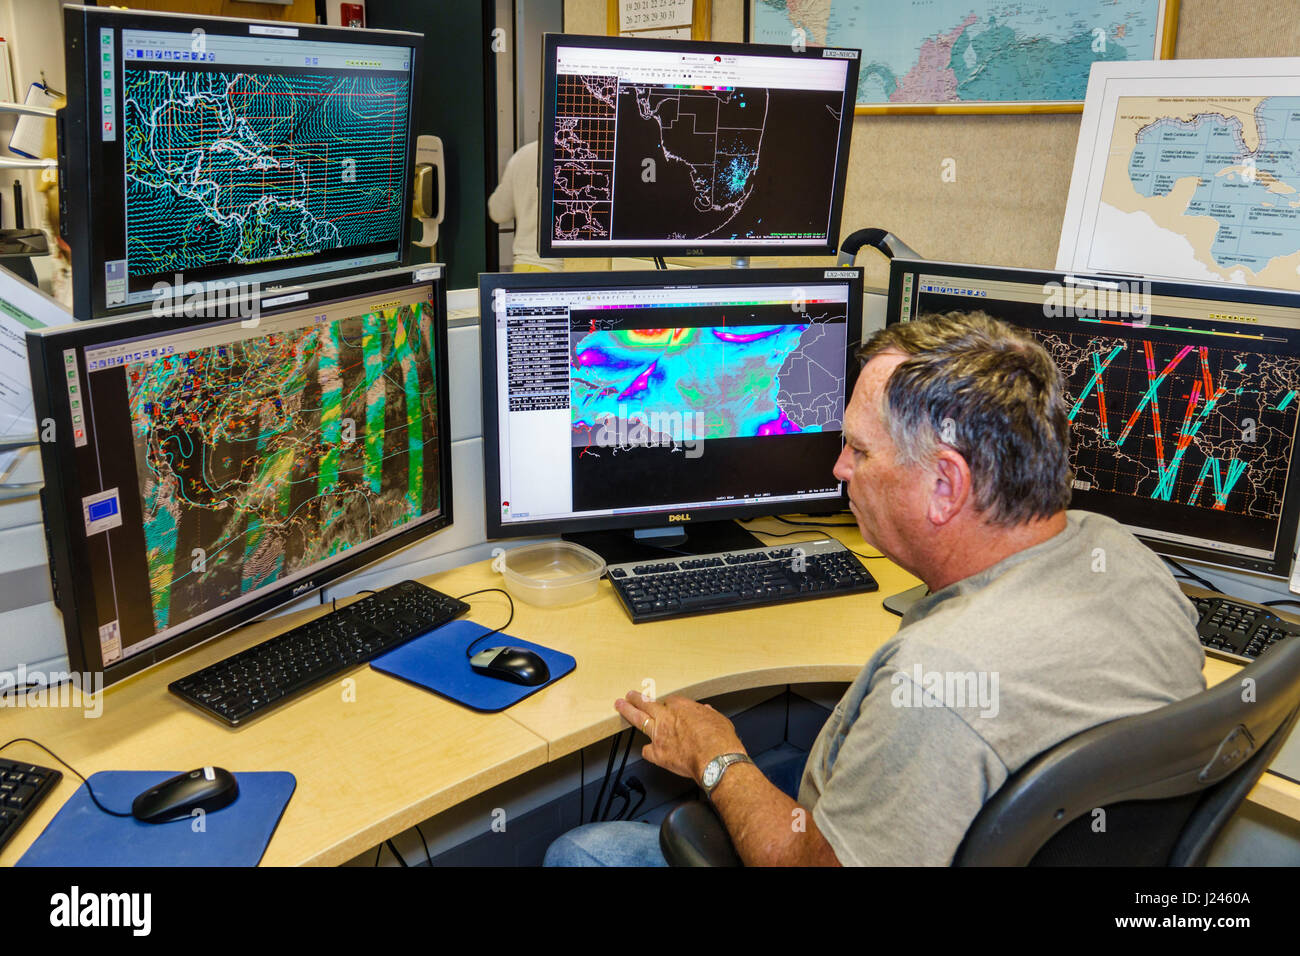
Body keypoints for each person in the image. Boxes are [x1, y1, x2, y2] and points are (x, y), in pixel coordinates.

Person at [544, 310, 1206, 866]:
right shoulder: (1119, 553)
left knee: (586, 850)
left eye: (859, 452)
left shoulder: (935, 684)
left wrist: (716, 756)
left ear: (945, 486)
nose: (838, 468)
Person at [488, 140, 562, 272]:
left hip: (529, 265)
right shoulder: (588, 153)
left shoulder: (524, 154)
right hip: (569, 269)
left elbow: (498, 212)